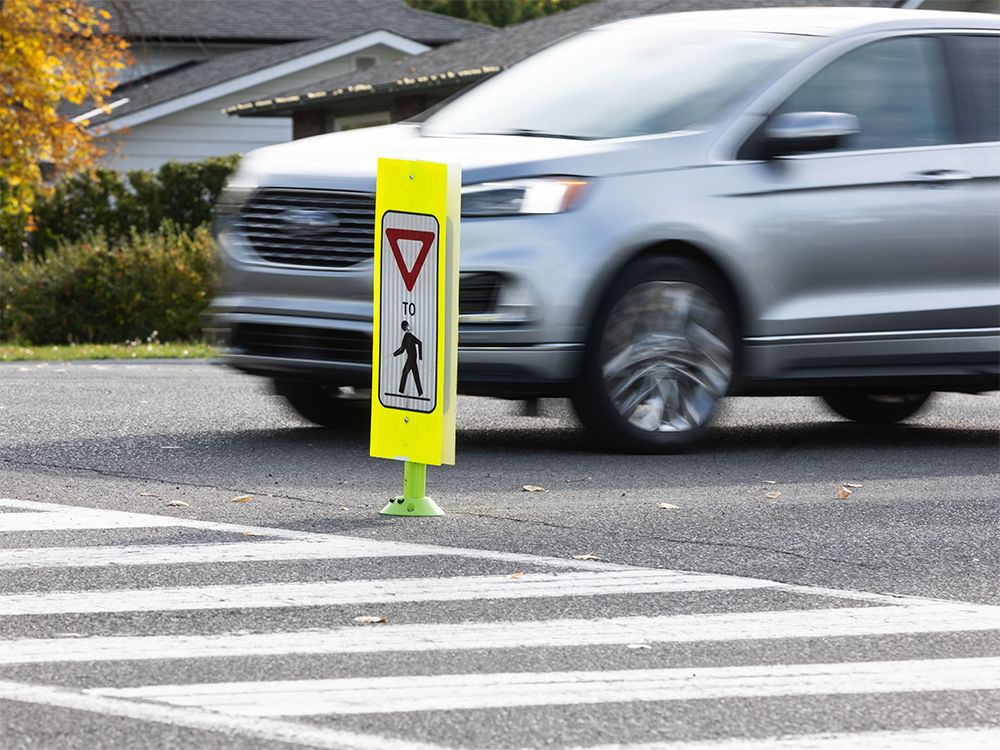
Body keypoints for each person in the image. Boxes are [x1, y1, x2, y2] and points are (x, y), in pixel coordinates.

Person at [393, 320, 423, 396]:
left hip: (411, 359)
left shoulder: (409, 336)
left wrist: (420, 357)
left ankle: (401, 391)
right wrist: (394, 354)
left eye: (407, 325)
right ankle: (420, 392)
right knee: (415, 375)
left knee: (405, 373)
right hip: (412, 359)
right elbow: (402, 349)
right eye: (406, 326)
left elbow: (420, 343)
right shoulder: (407, 336)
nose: (408, 327)